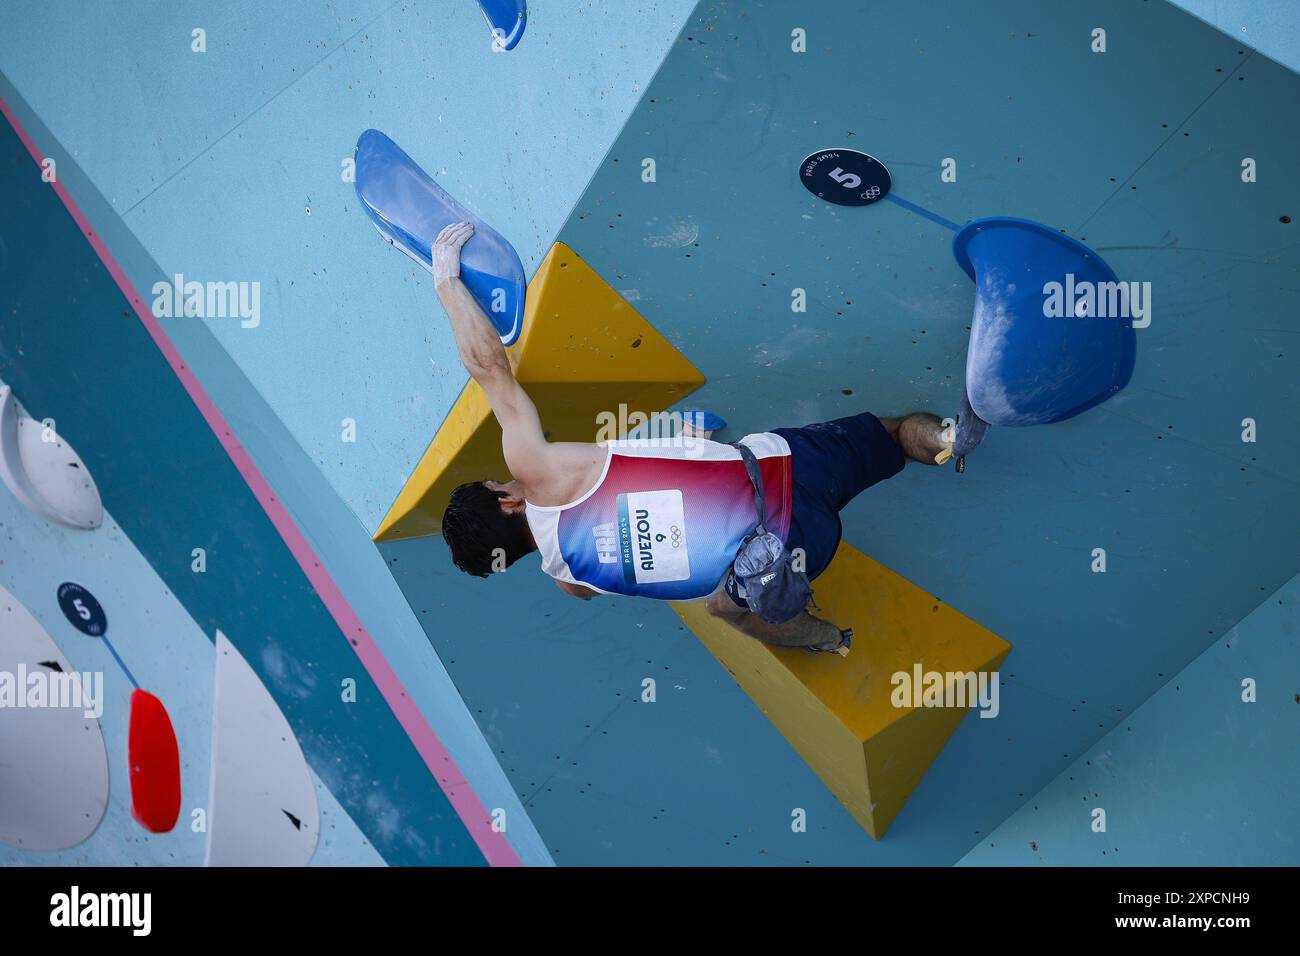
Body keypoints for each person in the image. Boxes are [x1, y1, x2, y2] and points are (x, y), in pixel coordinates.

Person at [433, 222, 951, 652]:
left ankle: (829, 639)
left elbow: (640, 525)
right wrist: (447, 283)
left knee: (729, 610)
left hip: (792, 561)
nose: (508, 477)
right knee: (898, 432)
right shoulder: (539, 472)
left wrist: (672, 447)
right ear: (506, 503)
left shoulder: (571, 583)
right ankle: (949, 439)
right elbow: (490, 371)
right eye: (500, 482)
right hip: (787, 474)